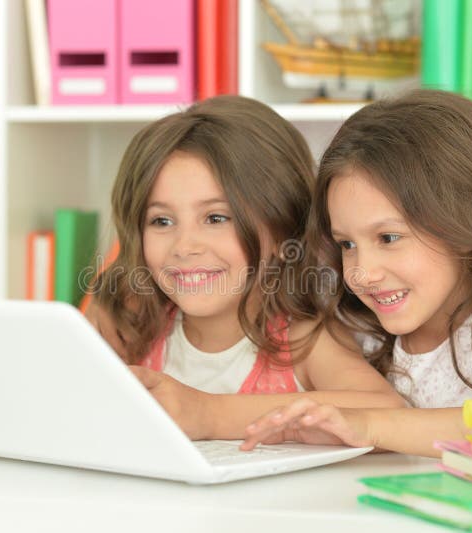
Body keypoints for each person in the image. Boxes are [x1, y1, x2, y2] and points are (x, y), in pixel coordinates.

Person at [241, 89, 472, 457]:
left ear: (466, 220)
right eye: (347, 244)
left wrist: (368, 426)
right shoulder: (362, 326)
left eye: (388, 237)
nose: (362, 274)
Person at [85, 95, 405, 440]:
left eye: (216, 218)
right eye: (161, 221)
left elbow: (388, 411)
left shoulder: (303, 342)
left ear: (285, 231)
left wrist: (208, 413)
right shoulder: (137, 328)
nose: (184, 246)